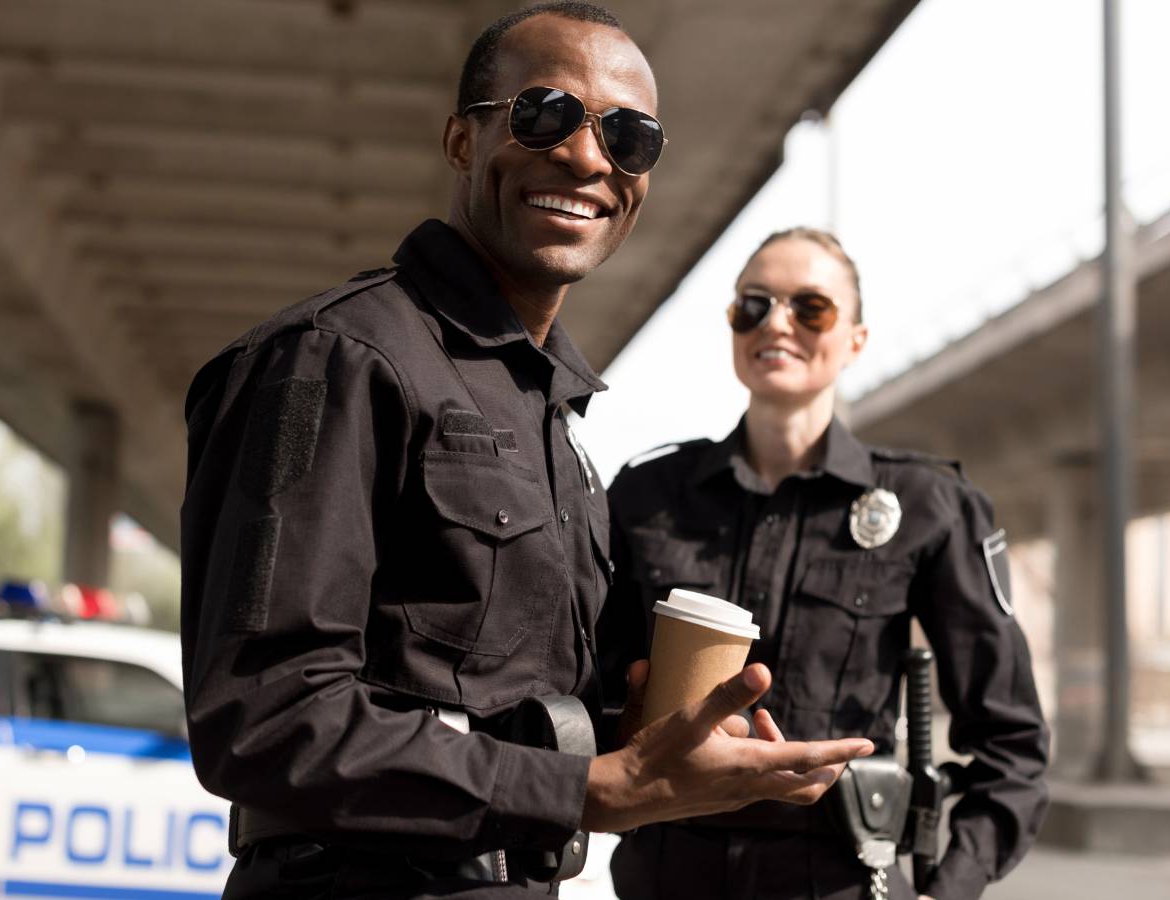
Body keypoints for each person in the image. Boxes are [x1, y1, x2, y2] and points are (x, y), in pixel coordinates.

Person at [180, 5, 874, 898]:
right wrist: (586, 789)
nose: (589, 159)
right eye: (545, 114)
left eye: (630, 136)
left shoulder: (554, 418)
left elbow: (506, 698)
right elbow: (266, 718)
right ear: (462, 142)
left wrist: (661, 742)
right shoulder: (336, 358)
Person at [599, 227, 1050, 900]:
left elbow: (1011, 745)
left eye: (810, 308)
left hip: (839, 877)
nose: (776, 323)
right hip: (668, 874)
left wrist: (949, 888)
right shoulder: (648, 494)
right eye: (753, 305)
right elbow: (595, 692)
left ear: (855, 341)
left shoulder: (928, 506)